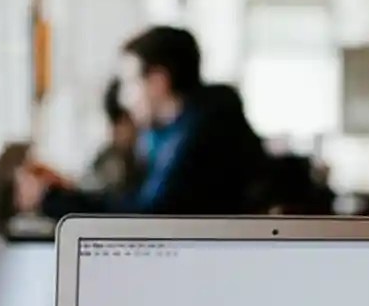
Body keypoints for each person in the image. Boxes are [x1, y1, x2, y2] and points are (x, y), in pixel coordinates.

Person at [17, 26, 267, 217]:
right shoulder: (173, 131)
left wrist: (52, 199)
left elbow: (148, 218)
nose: (125, 98)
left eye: (130, 82)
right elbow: (135, 201)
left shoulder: (203, 133)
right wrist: (68, 192)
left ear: (158, 81)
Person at [82, 79, 139, 196]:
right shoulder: (107, 157)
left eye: (123, 124)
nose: (118, 131)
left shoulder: (145, 153)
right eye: (116, 125)